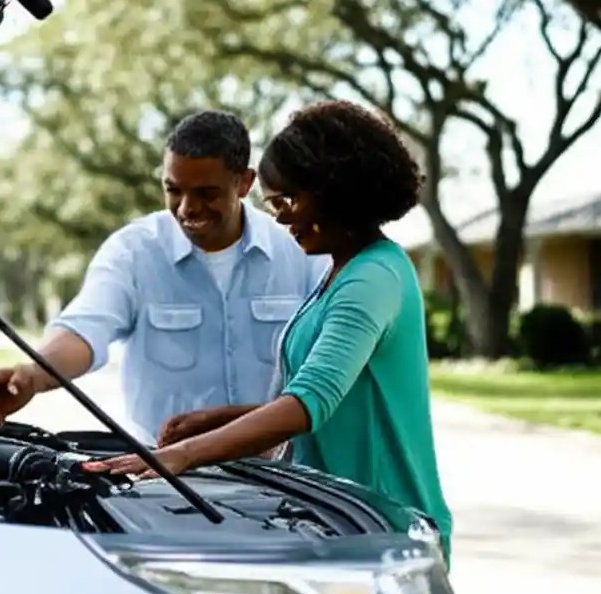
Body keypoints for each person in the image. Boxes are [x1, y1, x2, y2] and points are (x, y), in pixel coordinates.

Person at [83, 100, 454, 561]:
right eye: (274, 203)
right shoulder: (341, 272)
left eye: (289, 201)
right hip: (336, 519)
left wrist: (180, 457)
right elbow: (332, 401)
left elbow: (308, 404)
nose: (279, 217)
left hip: (383, 526)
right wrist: (220, 418)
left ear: (335, 192)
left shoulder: (373, 278)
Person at [0, 109, 330, 443]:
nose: (187, 208)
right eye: (173, 190)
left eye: (206, 193)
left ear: (244, 183)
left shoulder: (300, 251)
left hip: (280, 477)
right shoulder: (133, 251)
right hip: (163, 478)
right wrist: (34, 374)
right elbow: (85, 329)